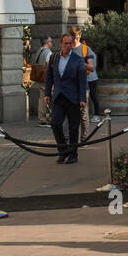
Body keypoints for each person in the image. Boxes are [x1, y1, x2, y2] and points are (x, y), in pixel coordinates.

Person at [43, 34, 87, 164]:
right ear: (61, 44)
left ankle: (73, 154)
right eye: (65, 43)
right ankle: (63, 150)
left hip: (73, 98)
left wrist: (82, 98)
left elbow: (82, 81)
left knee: (73, 128)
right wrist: (47, 94)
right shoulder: (54, 57)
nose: (68, 46)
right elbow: (49, 77)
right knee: (55, 124)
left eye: (70, 44)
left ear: (72, 45)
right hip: (58, 97)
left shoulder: (78, 60)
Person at [70, 25, 101, 122]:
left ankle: (96, 115)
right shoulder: (67, 48)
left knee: (92, 97)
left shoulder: (86, 49)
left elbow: (92, 67)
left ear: (80, 35)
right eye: (73, 37)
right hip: (73, 80)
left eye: (77, 37)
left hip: (89, 78)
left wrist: (80, 63)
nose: (75, 39)